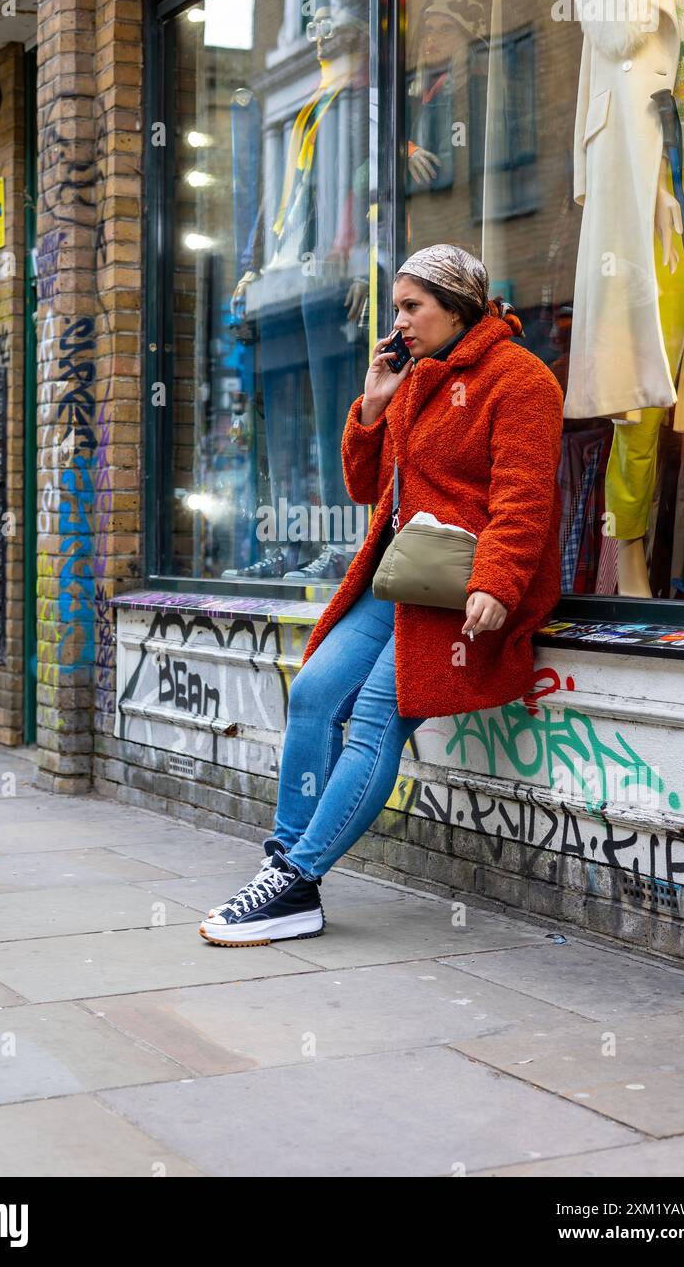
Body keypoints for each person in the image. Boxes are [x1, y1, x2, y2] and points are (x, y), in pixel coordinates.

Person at [199, 243, 564, 945]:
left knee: (373, 721)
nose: (396, 323)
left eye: (411, 307)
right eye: (396, 307)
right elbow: (369, 489)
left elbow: (524, 499)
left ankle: (296, 882)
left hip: (456, 587)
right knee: (311, 695)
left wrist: (497, 581)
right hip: (395, 578)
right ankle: (285, 865)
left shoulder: (522, 381)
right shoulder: (418, 376)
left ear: (457, 306)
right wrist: (371, 406)